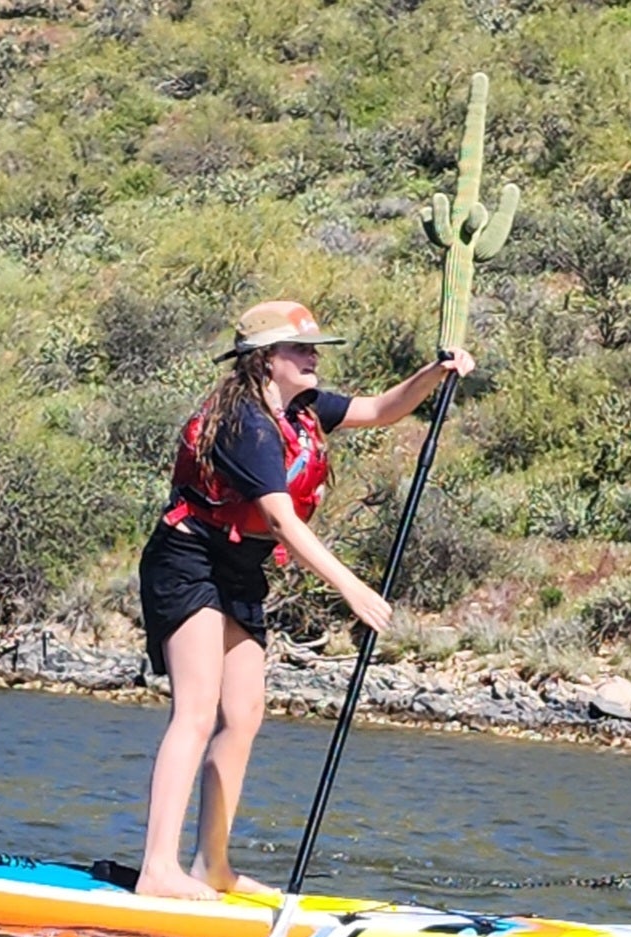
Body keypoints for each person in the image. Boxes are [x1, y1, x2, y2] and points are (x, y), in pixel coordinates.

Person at [134, 299, 474, 900]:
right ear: (265, 361)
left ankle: (212, 865)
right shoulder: (244, 423)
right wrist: (352, 588)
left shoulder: (303, 410)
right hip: (187, 562)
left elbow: (378, 410)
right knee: (195, 708)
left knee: (243, 716)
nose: (314, 358)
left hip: (237, 569)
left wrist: (435, 373)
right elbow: (282, 520)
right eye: (301, 350)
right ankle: (157, 868)